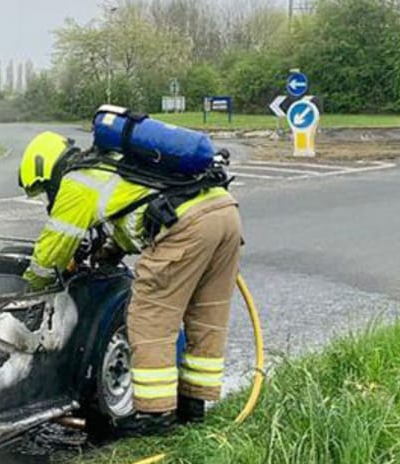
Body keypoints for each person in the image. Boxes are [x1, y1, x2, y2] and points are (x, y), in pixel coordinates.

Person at [17, 131, 242, 431]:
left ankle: (155, 417)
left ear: (49, 173)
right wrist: (107, 254)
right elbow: (135, 212)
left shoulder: (78, 181)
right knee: (206, 317)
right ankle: (193, 407)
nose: (48, 197)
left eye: (44, 190)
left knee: (151, 319)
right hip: (225, 213)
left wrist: (29, 287)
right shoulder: (113, 163)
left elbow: (52, 252)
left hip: (186, 228)